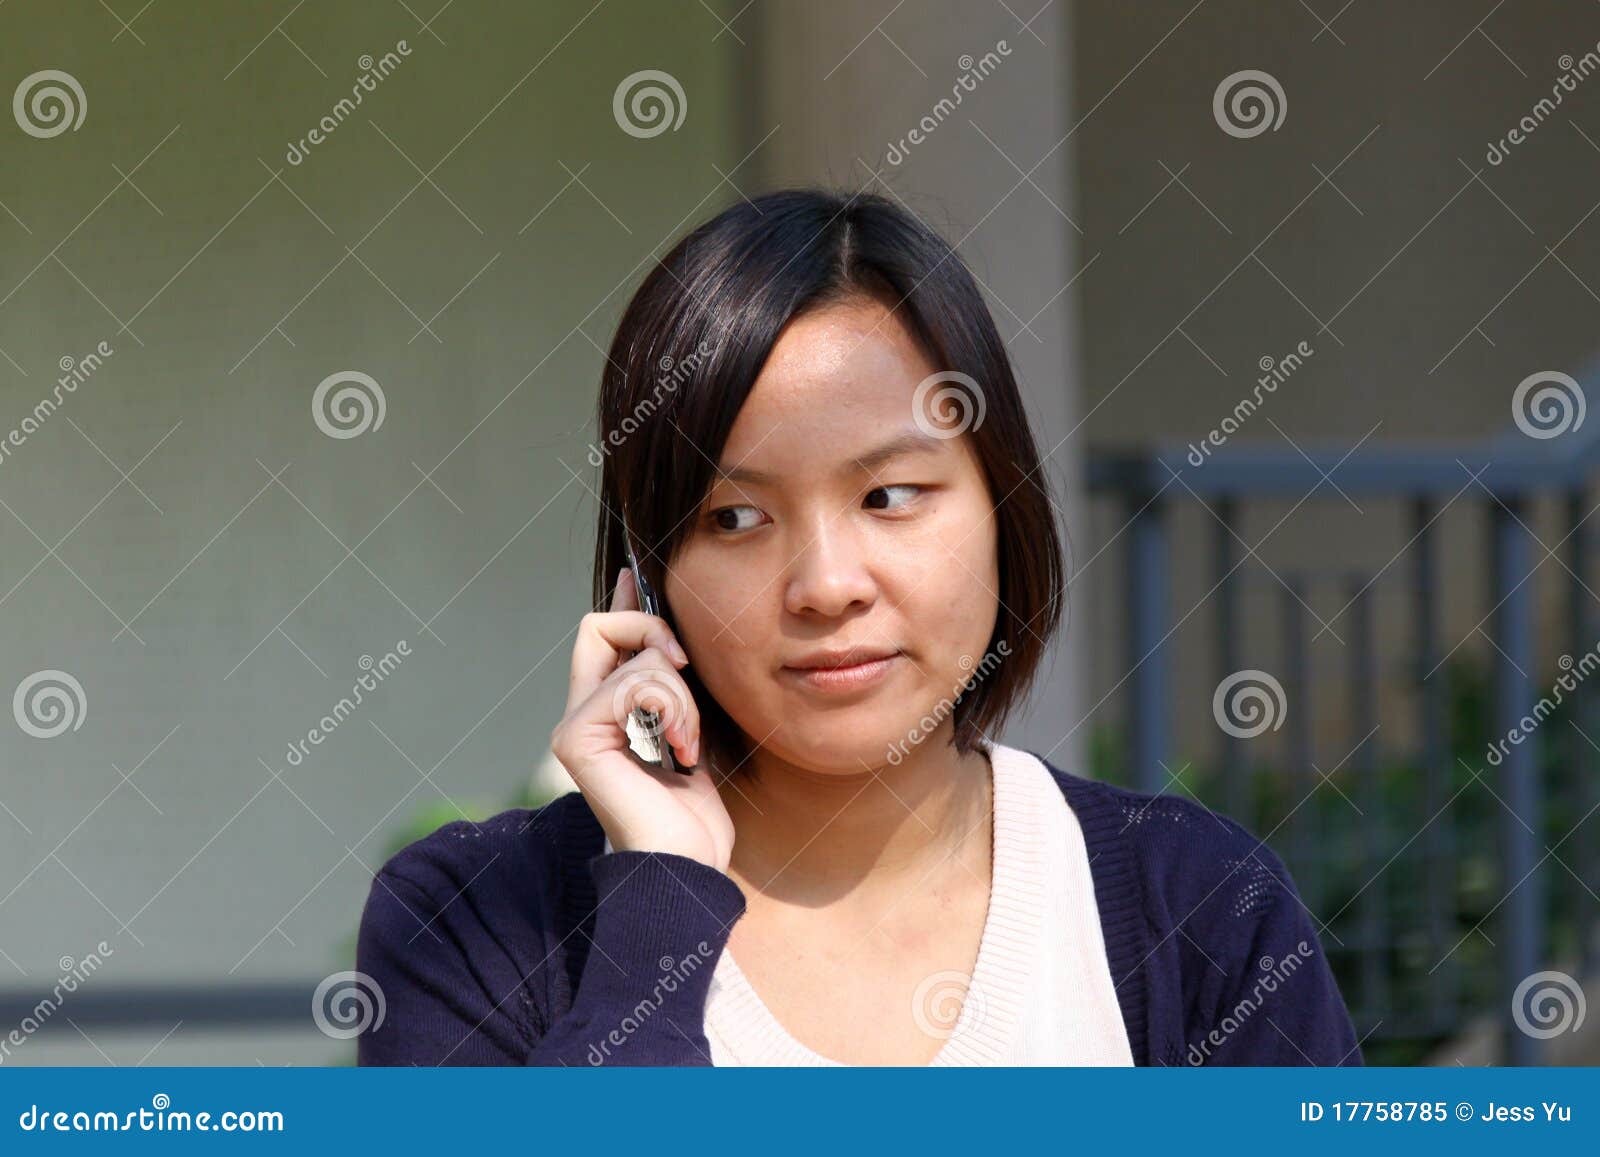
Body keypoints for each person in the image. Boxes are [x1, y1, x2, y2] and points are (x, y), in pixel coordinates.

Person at [355, 187, 1362, 1067]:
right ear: (649, 577)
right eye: (735, 517)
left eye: (889, 494)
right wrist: (658, 890)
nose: (827, 585)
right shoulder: (475, 916)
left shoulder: (1196, 906)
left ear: (1001, 508)